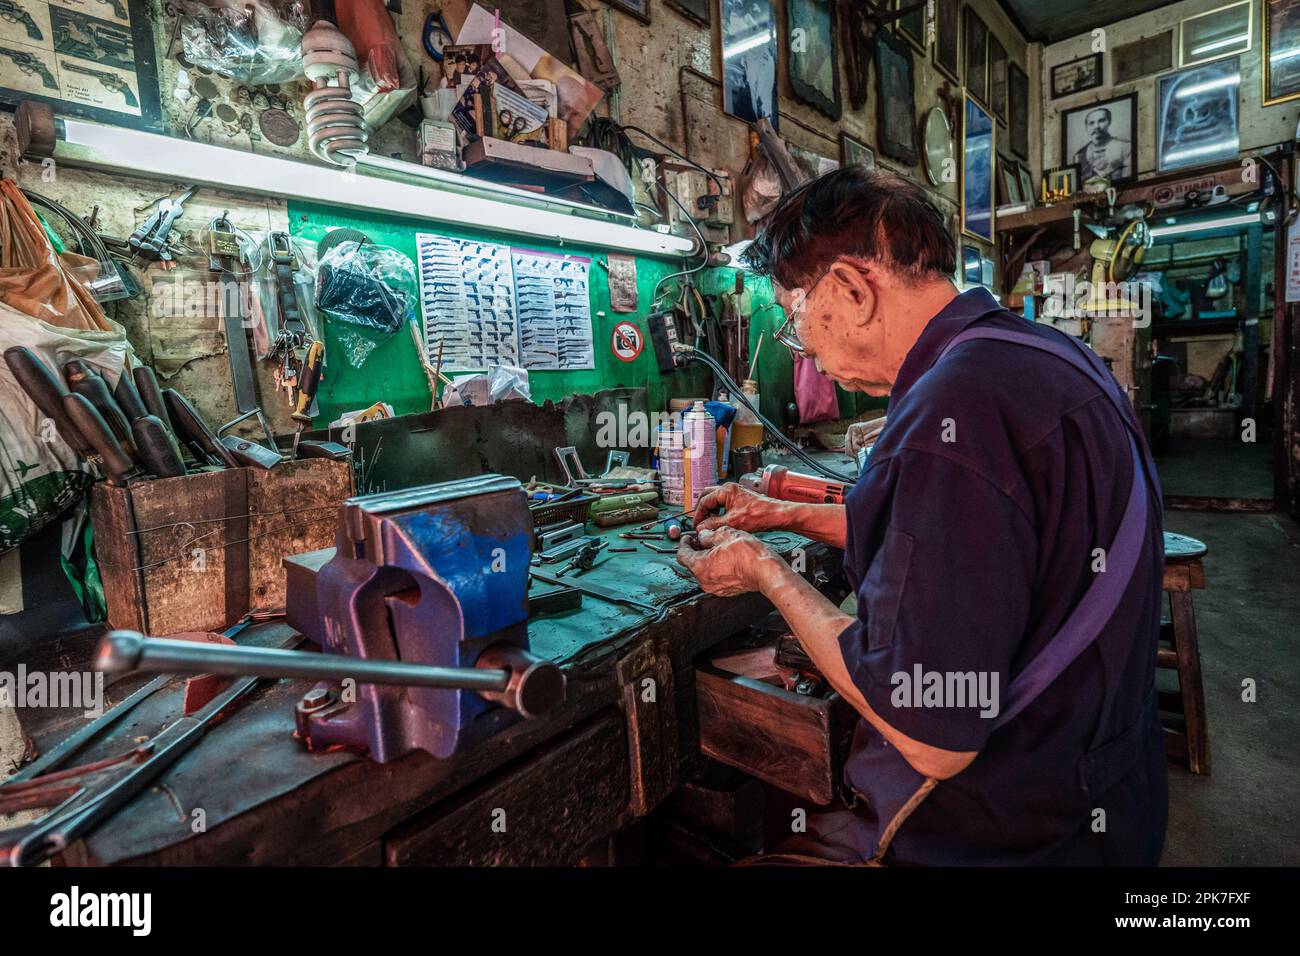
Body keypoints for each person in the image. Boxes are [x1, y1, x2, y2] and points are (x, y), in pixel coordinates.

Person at [677, 167, 1167, 865]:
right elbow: (977, 541)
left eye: (792, 315)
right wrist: (782, 514)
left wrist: (767, 573)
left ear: (852, 290)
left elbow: (932, 739)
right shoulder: (1045, 356)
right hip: (1114, 797)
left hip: (996, 832)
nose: (801, 344)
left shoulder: (951, 410)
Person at [1074, 106, 1132, 181]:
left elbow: (1129, 181)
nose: (1096, 126)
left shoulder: (1126, 147)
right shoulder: (1079, 155)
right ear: (1086, 127)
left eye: (1101, 121)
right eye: (1091, 123)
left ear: (1109, 122)